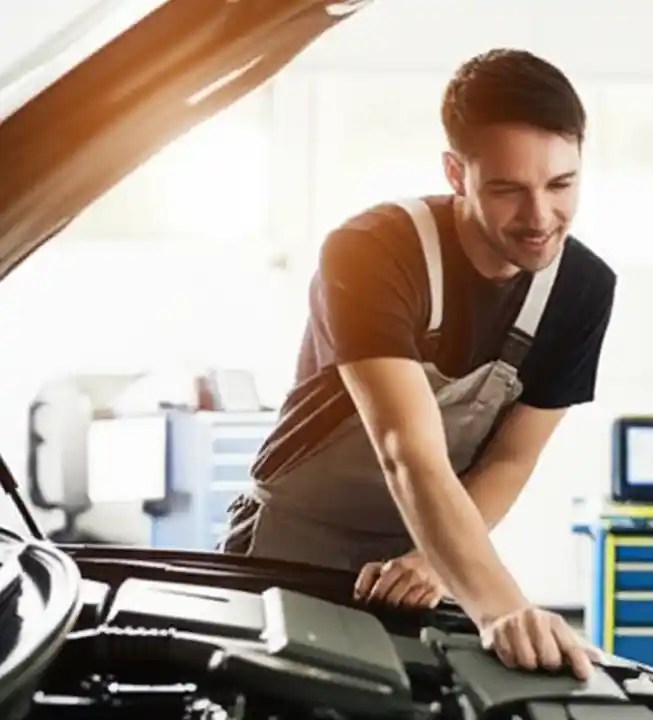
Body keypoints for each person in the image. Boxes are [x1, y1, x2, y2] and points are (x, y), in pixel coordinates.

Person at [220, 48, 616, 680]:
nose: (541, 218)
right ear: (457, 173)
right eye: (508, 189)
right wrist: (503, 607)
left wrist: (433, 562)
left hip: (430, 556)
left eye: (561, 185)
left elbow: (510, 459)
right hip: (292, 542)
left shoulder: (584, 289)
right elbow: (408, 452)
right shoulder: (372, 253)